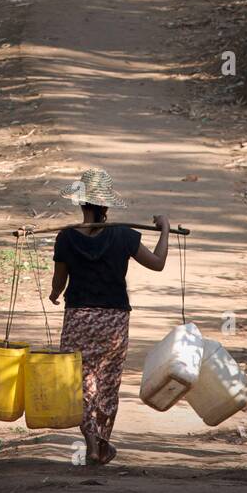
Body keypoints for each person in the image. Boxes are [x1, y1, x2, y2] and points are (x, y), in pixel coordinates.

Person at [50, 167, 169, 466]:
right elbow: (157, 264)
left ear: (81, 204)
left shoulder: (66, 238)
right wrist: (165, 229)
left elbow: (59, 281)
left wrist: (54, 295)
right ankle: (103, 444)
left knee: (79, 381)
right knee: (107, 381)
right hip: (113, 320)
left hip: (78, 317)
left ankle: (91, 443)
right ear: (105, 206)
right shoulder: (123, 235)